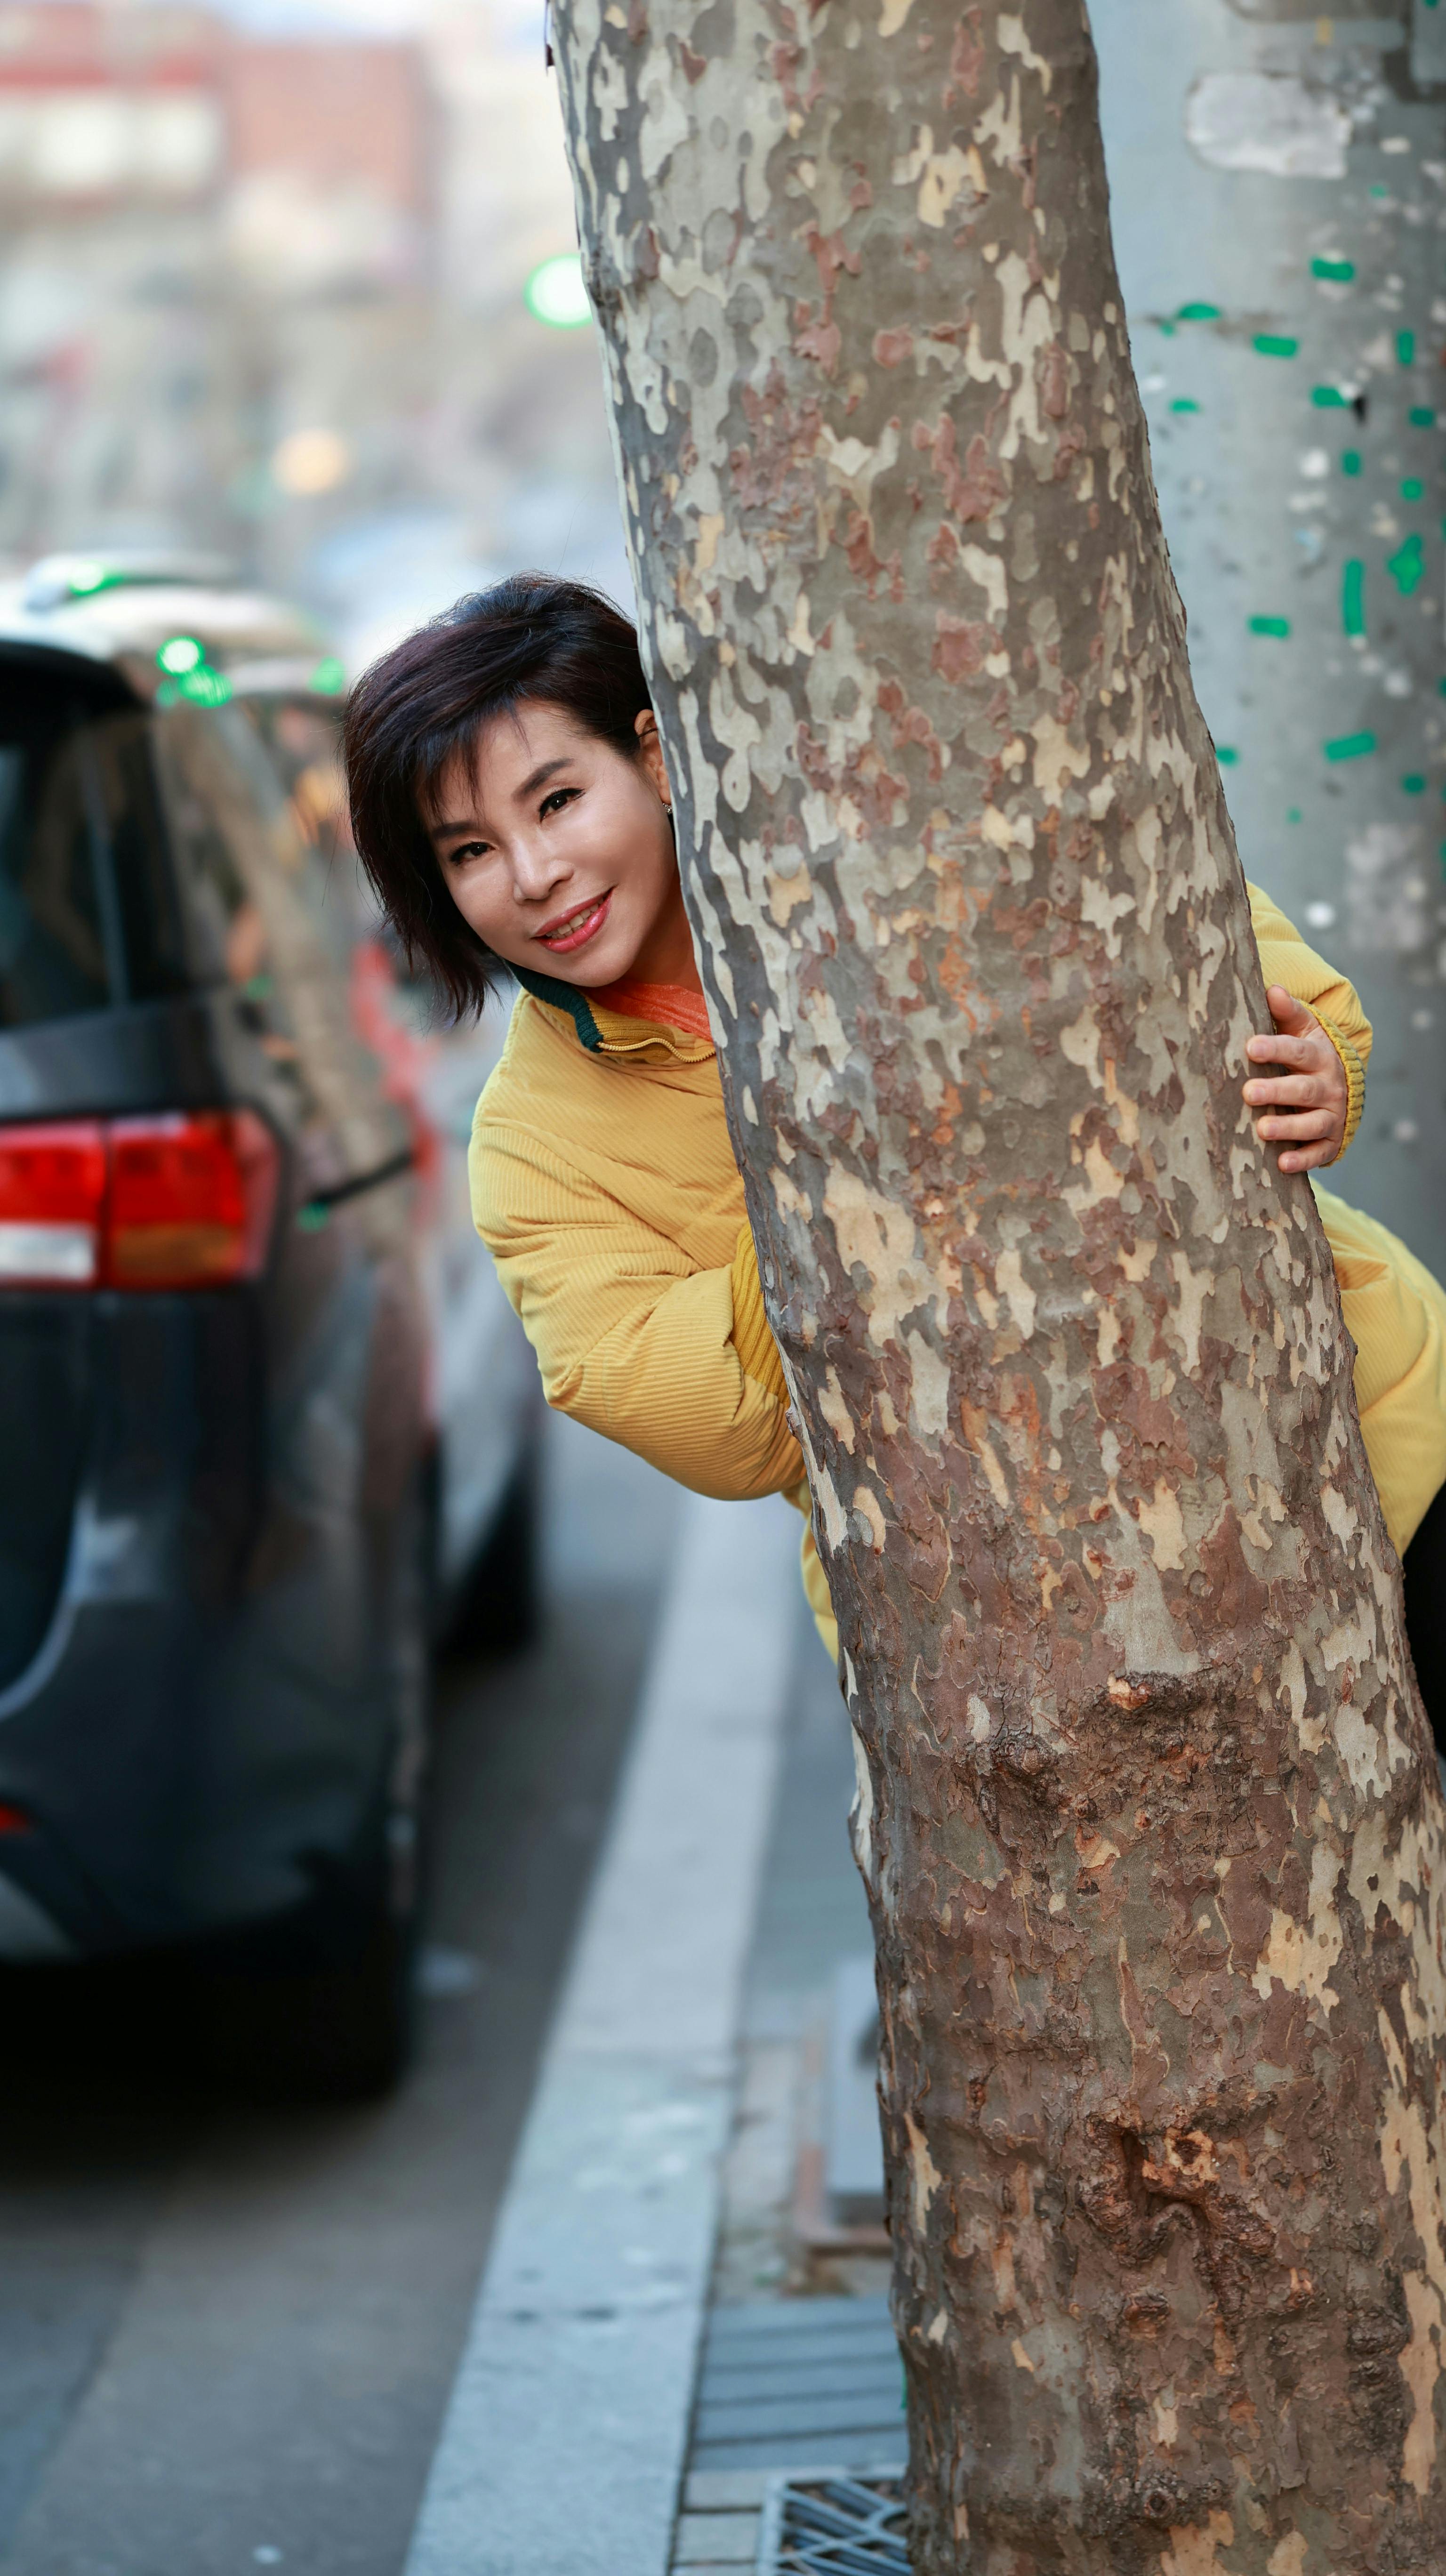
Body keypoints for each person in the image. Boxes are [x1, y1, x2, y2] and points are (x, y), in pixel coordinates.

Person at [344, 573, 1446, 1739]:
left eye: (557, 800)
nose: (532, 876)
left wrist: (1321, 1060)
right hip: (1027, 1637)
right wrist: (843, 1169)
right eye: (470, 851)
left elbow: (1226, 949)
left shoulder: (876, 847)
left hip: (1360, 1435)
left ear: (659, 757)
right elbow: (719, 1425)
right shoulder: (532, 1146)